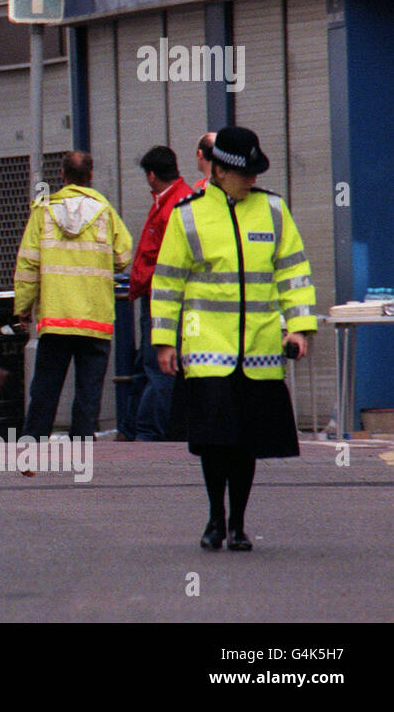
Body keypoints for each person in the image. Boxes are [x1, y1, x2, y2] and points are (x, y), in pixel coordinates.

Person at [152, 126, 315, 552]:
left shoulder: (273, 210)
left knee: (246, 443)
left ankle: (239, 523)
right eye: (244, 174)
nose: (251, 180)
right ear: (220, 170)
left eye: (255, 173)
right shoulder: (188, 215)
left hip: (260, 349)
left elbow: (293, 273)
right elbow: (167, 283)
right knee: (215, 441)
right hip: (208, 348)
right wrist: (165, 342)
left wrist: (298, 327)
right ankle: (214, 518)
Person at [14, 151, 132, 439]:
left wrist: (22, 307)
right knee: (89, 389)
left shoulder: (43, 211)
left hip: (56, 317)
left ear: (63, 176)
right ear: (89, 177)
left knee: (45, 386)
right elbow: (124, 256)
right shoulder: (105, 212)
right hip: (95, 318)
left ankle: (34, 441)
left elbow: (28, 262)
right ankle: (81, 444)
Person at [127, 146, 193, 441]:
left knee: (157, 366)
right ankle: (138, 428)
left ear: (152, 175)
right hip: (157, 291)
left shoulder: (172, 205)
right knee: (148, 364)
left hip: (162, 295)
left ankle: (149, 432)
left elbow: (162, 256)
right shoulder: (176, 200)